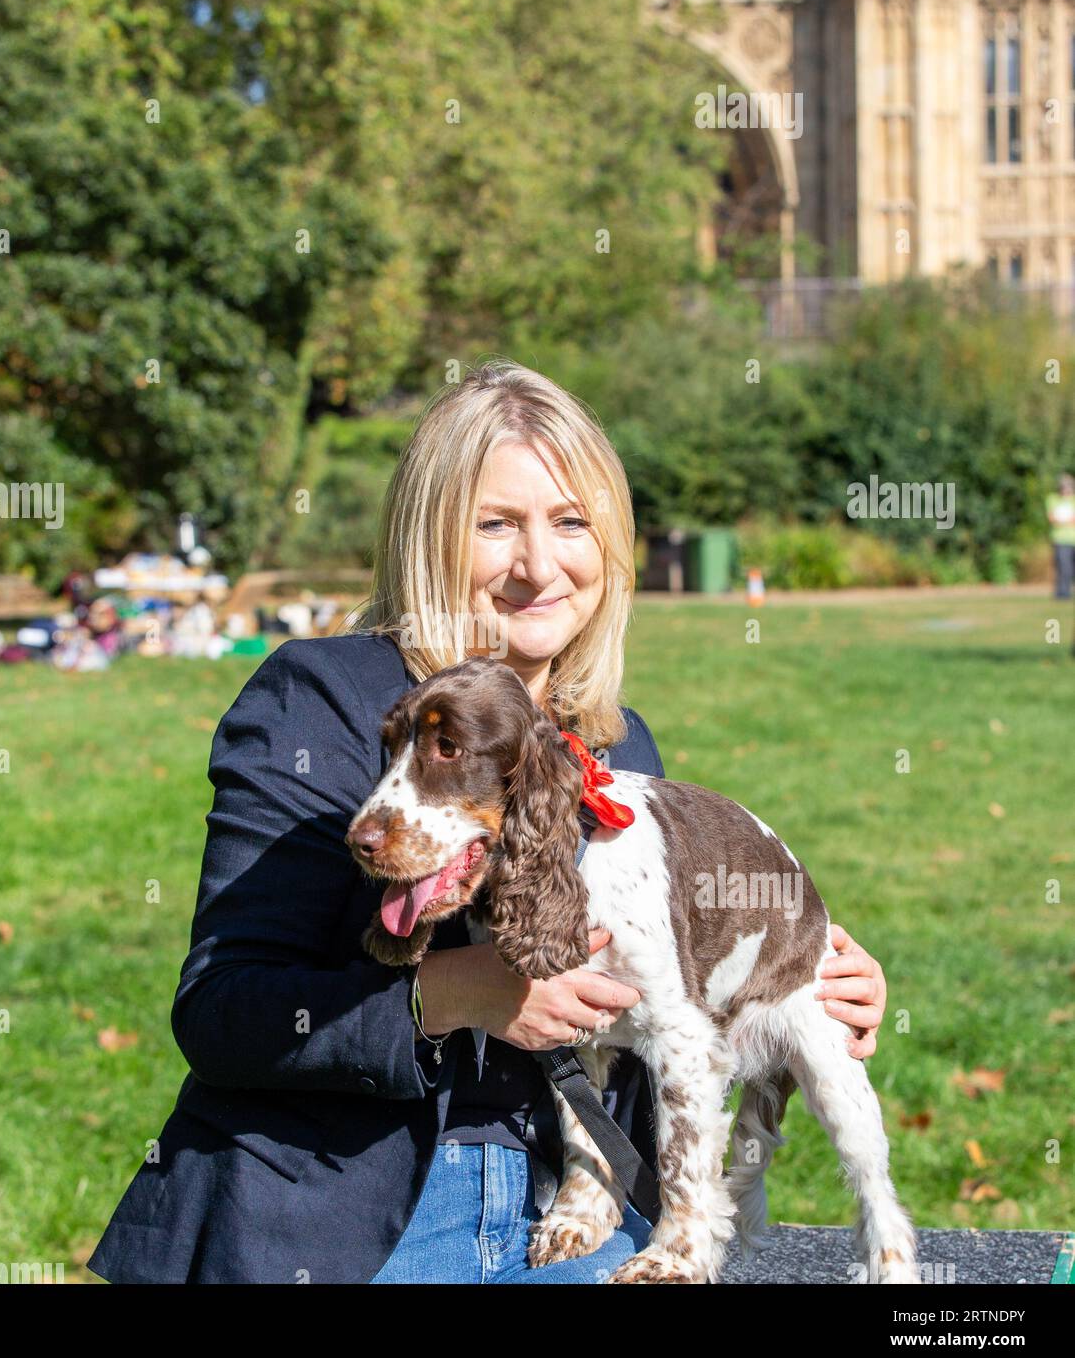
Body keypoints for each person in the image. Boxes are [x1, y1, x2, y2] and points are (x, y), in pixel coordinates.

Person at [87, 358, 889, 1284]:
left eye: (571, 522)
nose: (539, 565)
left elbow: (660, 1040)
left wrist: (792, 976)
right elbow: (221, 1013)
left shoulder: (621, 755)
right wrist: (451, 994)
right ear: (432, 534)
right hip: (348, 1222)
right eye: (497, 524)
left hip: (573, 1211)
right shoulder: (325, 701)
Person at [1047, 473, 1075, 600]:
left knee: (1070, 568)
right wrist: (1067, 520)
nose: (1066, 489)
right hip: (1060, 539)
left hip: (1073, 539)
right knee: (1063, 567)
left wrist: (1062, 520)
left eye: (1068, 486)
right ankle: (1063, 593)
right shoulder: (1053, 499)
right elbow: (1052, 518)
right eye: (1064, 486)